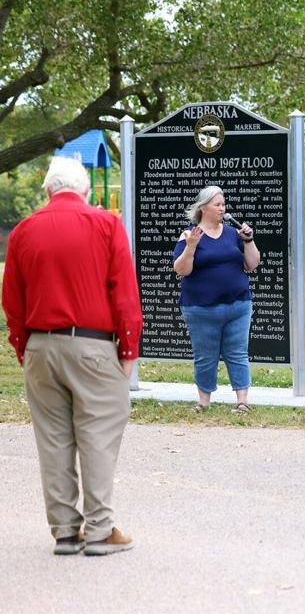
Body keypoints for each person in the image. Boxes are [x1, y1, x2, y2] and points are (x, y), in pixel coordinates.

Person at [2, 157, 142, 555]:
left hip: (40, 346)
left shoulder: (23, 231)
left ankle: (65, 530)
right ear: (83, 190)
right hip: (93, 344)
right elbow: (125, 293)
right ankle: (100, 529)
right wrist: (128, 349)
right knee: (98, 434)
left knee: (53, 439)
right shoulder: (105, 224)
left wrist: (24, 348)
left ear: (47, 190)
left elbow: (11, 299)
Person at [173, 186, 260, 415]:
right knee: (205, 355)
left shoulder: (233, 233)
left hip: (238, 305)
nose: (222, 208)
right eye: (217, 204)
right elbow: (181, 269)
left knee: (238, 352)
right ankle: (203, 401)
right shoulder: (189, 235)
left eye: (223, 204)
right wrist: (191, 246)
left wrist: (249, 241)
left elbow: (251, 264)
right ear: (203, 208)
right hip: (200, 308)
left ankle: (242, 402)